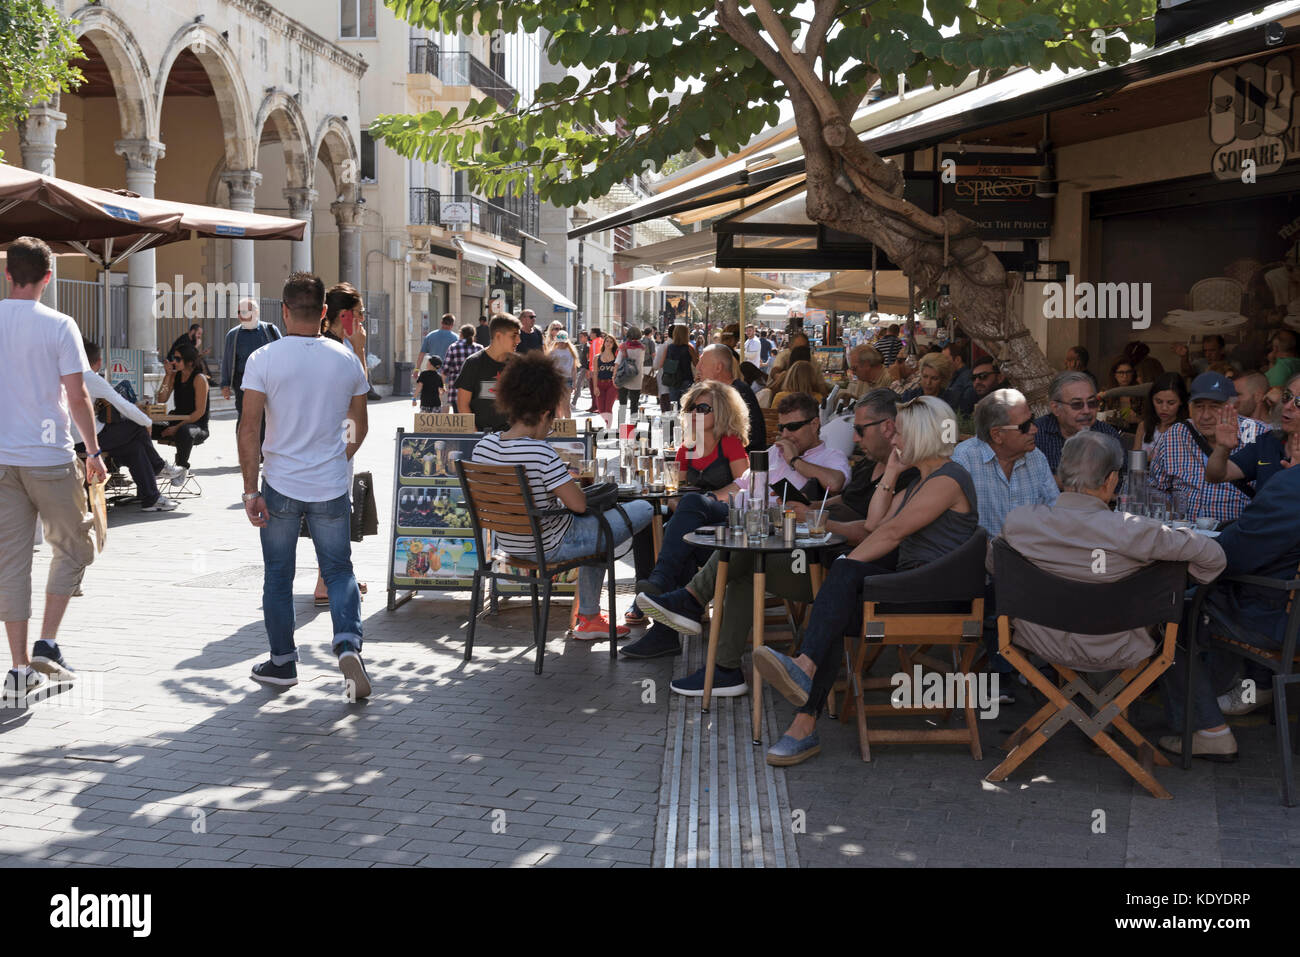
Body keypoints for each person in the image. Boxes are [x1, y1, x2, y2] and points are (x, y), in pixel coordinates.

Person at [741, 397, 980, 759]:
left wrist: (845, 568)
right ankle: (804, 721)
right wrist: (893, 474)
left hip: (940, 595)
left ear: (919, 434)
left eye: (898, 431)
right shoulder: (921, 481)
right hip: (914, 586)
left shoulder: (950, 478)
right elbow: (873, 526)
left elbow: (892, 534)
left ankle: (804, 671)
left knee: (844, 576)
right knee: (836, 613)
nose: (893, 437)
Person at [238, 272, 371, 696]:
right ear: (325, 313)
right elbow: (361, 426)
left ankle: (282, 663)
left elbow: (248, 428)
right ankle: (348, 644)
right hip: (330, 484)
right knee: (338, 570)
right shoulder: (346, 358)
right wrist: (336, 459)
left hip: (279, 482)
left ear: (283, 310)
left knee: (278, 574)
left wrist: (249, 489)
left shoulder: (263, 359)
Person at [1001, 431, 1224, 673]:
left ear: (1062, 477)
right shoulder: (1136, 531)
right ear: (1111, 480)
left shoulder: (1019, 524)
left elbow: (996, 567)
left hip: (1042, 643)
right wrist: (1177, 574)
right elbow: (1214, 558)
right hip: (1122, 648)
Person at [471, 352, 652, 638]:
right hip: (550, 545)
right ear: (544, 413)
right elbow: (578, 505)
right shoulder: (541, 452)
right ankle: (593, 616)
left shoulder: (484, 447)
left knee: (601, 528)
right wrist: (566, 482)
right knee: (642, 509)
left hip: (507, 545)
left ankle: (590, 618)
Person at [0, 237, 104, 696]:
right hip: (50, 457)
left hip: (3, 459)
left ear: (7, 274)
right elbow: (78, 396)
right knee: (76, 548)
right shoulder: (60, 325)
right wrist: (94, 452)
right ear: (48, 277)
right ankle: (47, 641)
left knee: (12, 563)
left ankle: (19, 668)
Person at [1158, 463, 1300, 761]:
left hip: (1279, 622)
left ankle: (1209, 730)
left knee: (1171, 611)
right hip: (1280, 612)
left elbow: (1231, 557)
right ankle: (1217, 699)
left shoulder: (1292, 485)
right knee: (1208, 599)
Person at [76, 339, 184, 512]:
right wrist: (147, 422)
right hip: (84, 438)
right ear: (99, 362)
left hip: (73, 436)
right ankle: (159, 467)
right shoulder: (89, 377)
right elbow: (123, 405)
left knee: (134, 448)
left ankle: (151, 498)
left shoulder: (66, 375)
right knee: (136, 426)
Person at [1149, 372, 1261, 524]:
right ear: (1189, 407)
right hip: (1184, 535)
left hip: (1237, 535)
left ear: (1233, 406)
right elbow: (1155, 487)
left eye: (1215, 407)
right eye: (1199, 407)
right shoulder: (1176, 434)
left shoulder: (1257, 434)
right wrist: (1169, 513)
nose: (1205, 416)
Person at [951, 388, 1059, 538]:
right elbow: (956, 527)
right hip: (981, 556)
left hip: (1031, 553)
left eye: (1032, 420)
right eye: (1025, 426)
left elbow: (1054, 511)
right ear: (997, 435)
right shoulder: (965, 460)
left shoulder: (1036, 457)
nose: (1034, 429)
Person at [1205, 370, 1300, 494]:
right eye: (1287, 396)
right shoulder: (1268, 441)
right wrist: (1222, 448)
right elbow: (1215, 476)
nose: (1287, 406)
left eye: (1299, 402)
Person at [1032, 371, 1126, 480]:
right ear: (1056, 408)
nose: (1086, 411)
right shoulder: (1034, 434)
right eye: (1077, 404)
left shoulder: (1108, 434)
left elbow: (1123, 479)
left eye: (1092, 403)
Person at [220, 297, 281, 431]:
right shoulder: (233, 335)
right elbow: (227, 360)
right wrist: (225, 384)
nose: (242, 316)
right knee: (244, 417)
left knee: (266, 418)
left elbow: (282, 355)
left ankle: (263, 450)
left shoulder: (270, 330)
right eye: (239, 312)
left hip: (267, 381)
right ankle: (244, 450)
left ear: (256, 312)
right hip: (242, 383)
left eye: (246, 312)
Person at [152, 342, 209, 478]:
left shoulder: (199, 379)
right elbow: (162, 398)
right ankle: (154, 465)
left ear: (189, 362)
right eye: (173, 358)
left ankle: (182, 468)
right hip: (175, 422)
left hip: (197, 425)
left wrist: (176, 428)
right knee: (144, 426)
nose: (174, 361)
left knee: (184, 431)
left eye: (178, 359)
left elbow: (199, 413)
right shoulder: (175, 376)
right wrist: (167, 376)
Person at [456, 314, 520, 432]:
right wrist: (476, 437)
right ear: (499, 336)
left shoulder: (519, 365)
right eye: (514, 336)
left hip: (512, 439)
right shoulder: (473, 363)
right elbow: (462, 404)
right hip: (480, 438)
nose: (518, 340)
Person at [697, 343, 766, 453]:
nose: (698, 368)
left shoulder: (737, 392)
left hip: (744, 461)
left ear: (718, 367)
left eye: (702, 364)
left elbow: (743, 440)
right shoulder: (721, 392)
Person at [326, 283, 380, 401]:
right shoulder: (331, 347)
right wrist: (359, 349)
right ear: (344, 315)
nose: (363, 318)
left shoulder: (347, 342)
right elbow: (360, 387)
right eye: (360, 312)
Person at [441, 324, 483, 412]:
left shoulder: (453, 347)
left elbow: (445, 370)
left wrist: (442, 385)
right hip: (475, 390)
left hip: (456, 390)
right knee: (473, 420)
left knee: (459, 422)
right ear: (473, 335)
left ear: (461, 334)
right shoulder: (479, 348)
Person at [615, 327, 648, 426]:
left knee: (622, 405)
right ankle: (633, 428)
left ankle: (621, 427)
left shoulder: (623, 346)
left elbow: (617, 362)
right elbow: (640, 362)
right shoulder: (642, 348)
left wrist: (614, 377)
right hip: (636, 378)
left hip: (623, 377)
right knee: (634, 405)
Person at [658, 323, 697, 406]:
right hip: (686, 379)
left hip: (673, 380)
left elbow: (661, 364)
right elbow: (696, 364)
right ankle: (685, 419)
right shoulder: (690, 348)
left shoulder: (669, 347)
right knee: (686, 406)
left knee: (674, 405)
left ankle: (674, 419)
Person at [415, 313, 458, 383]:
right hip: (449, 376)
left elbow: (421, 354)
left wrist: (417, 369)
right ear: (452, 325)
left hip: (432, 375)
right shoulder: (456, 338)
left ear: (441, 322)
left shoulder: (430, 336)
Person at [549, 330, 579, 419]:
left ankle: (568, 426)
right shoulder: (552, 352)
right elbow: (549, 367)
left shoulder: (571, 352)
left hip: (567, 379)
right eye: (559, 342)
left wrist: (574, 382)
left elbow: (574, 368)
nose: (561, 343)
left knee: (566, 405)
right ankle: (559, 427)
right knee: (557, 405)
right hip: (556, 380)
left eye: (563, 342)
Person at [594, 333, 619, 422]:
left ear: (613, 344)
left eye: (611, 342)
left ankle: (608, 429)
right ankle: (607, 423)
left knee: (608, 408)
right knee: (601, 410)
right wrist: (595, 387)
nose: (608, 343)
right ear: (604, 343)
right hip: (600, 384)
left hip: (611, 385)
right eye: (607, 341)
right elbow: (595, 373)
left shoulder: (617, 357)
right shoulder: (597, 357)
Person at [571, 329, 591, 409]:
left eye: (581, 337)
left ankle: (573, 403)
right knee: (586, 385)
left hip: (585, 368)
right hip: (584, 368)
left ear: (586, 337)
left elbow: (588, 359)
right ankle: (574, 402)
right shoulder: (585, 345)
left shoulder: (587, 346)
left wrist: (587, 370)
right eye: (579, 337)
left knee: (579, 383)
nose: (580, 338)